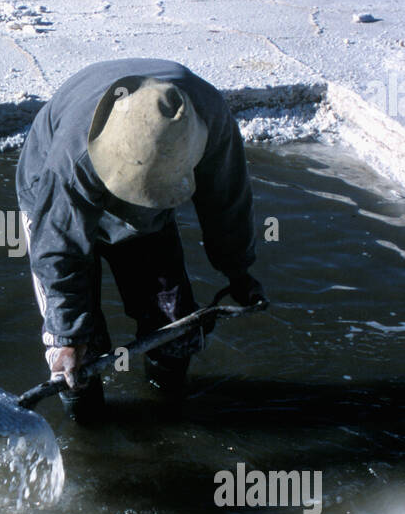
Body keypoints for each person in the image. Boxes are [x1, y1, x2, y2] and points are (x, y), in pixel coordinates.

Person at [16, 58, 266, 423]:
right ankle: (90, 429)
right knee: (77, 362)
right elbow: (58, 251)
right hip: (54, 199)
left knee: (175, 330)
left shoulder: (210, 122)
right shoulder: (70, 160)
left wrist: (238, 270)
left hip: (150, 213)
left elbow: (227, 202)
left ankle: (166, 415)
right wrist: (68, 337)